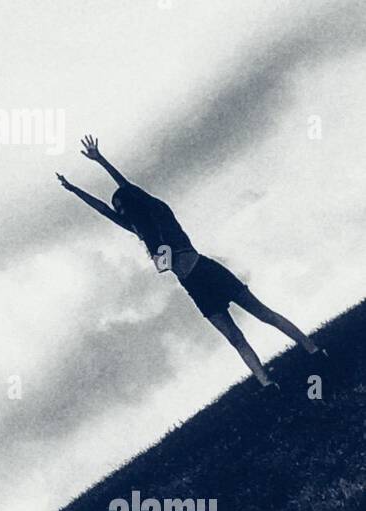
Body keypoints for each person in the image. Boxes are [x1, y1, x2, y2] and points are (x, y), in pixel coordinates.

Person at [57, 135, 322, 388]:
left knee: (263, 313)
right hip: (192, 284)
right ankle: (266, 381)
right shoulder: (139, 231)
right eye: (117, 208)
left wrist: (101, 160)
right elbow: (103, 211)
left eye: (121, 205)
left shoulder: (158, 210)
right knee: (234, 337)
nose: (118, 210)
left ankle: (312, 348)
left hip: (205, 269)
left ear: (132, 202)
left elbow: (126, 186)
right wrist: (73, 189)